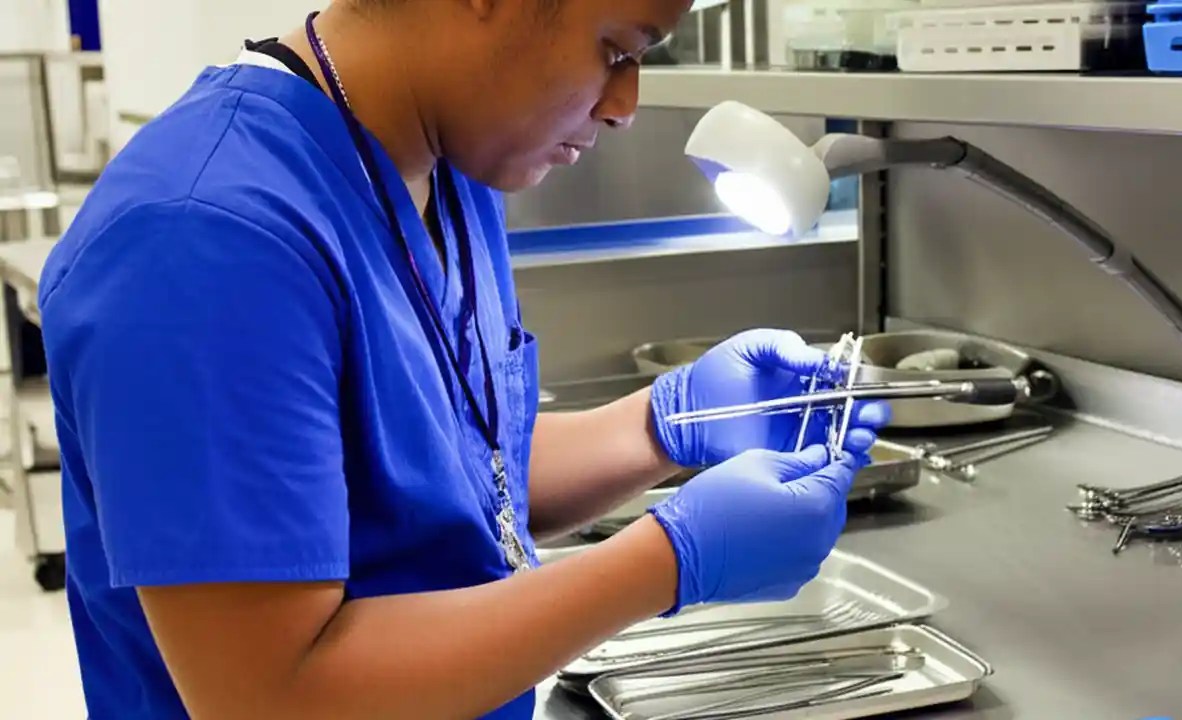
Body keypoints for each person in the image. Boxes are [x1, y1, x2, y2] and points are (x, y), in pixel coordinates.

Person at [38, 1, 888, 718]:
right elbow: (275, 694)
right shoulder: (207, 241)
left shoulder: (450, 165)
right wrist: (669, 562)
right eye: (616, 51)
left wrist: (669, 422)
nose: (626, 105)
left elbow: (452, 476)